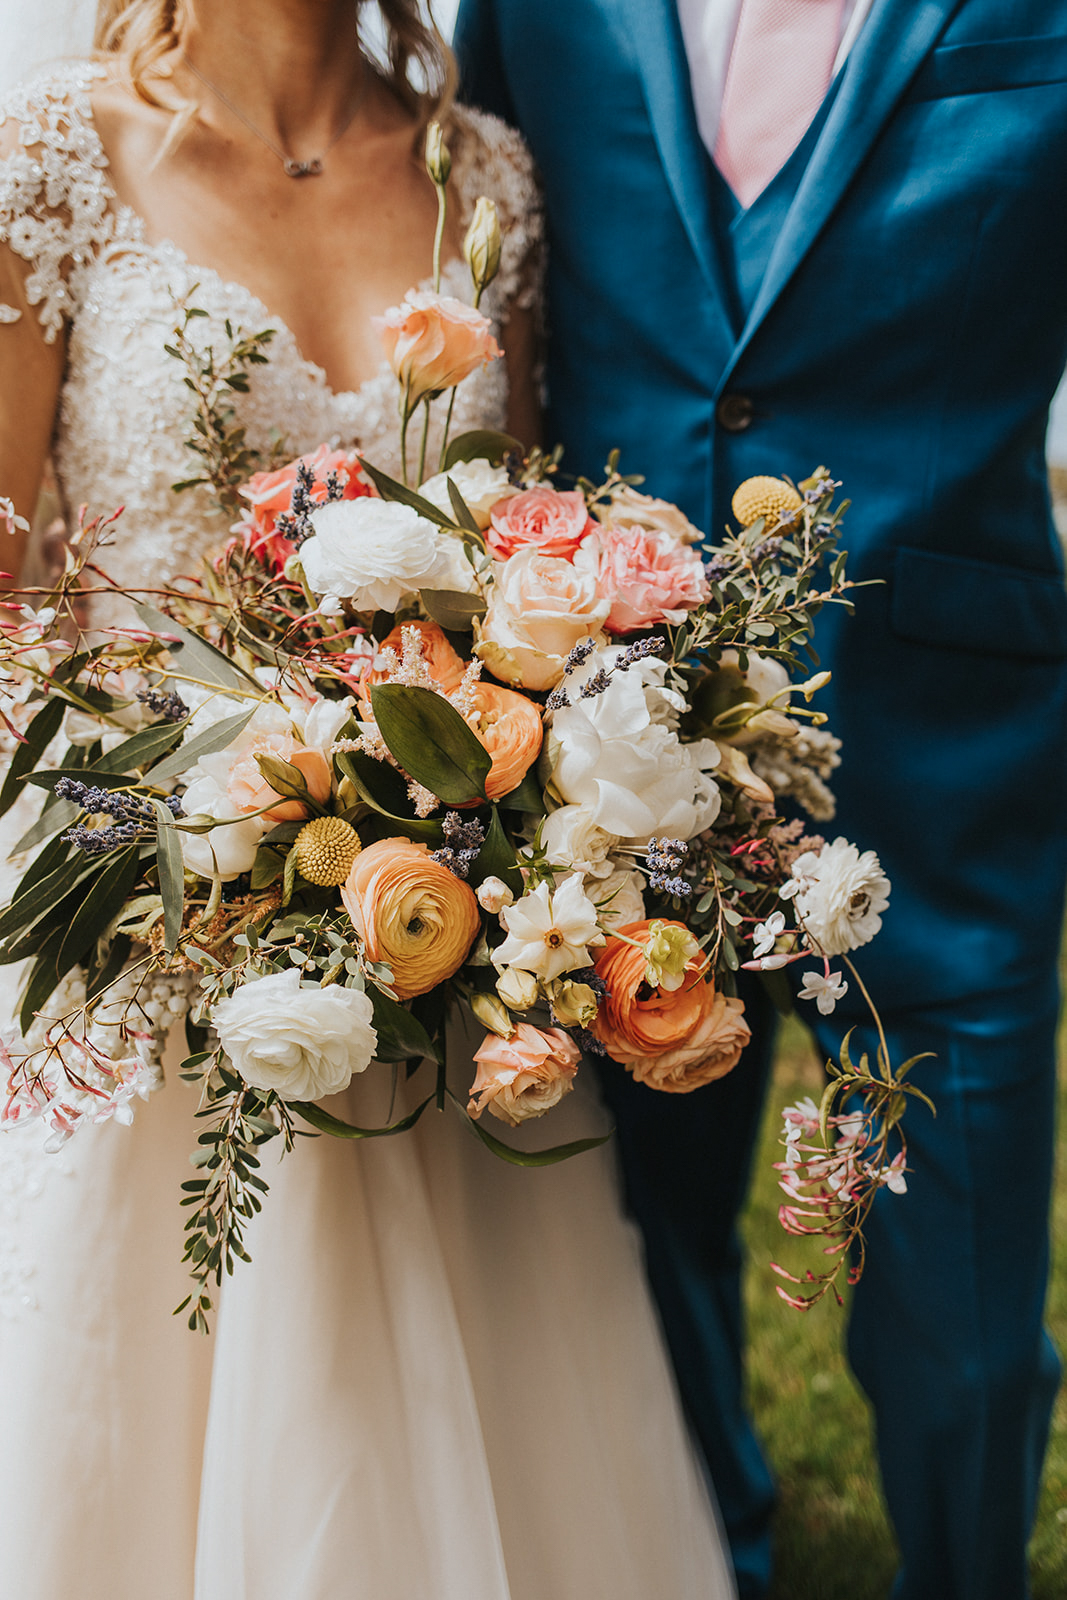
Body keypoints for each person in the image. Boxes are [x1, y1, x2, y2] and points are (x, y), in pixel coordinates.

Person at [0, 4, 738, 1596]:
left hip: (448, 955)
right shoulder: (50, 156)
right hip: (148, 932)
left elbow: (530, 552)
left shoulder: (486, 176)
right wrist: (190, 823)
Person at [453, 3, 1067, 1598]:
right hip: (616, 749)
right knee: (642, 1226)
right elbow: (488, 244)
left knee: (963, 1293)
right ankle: (708, 1541)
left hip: (942, 743)